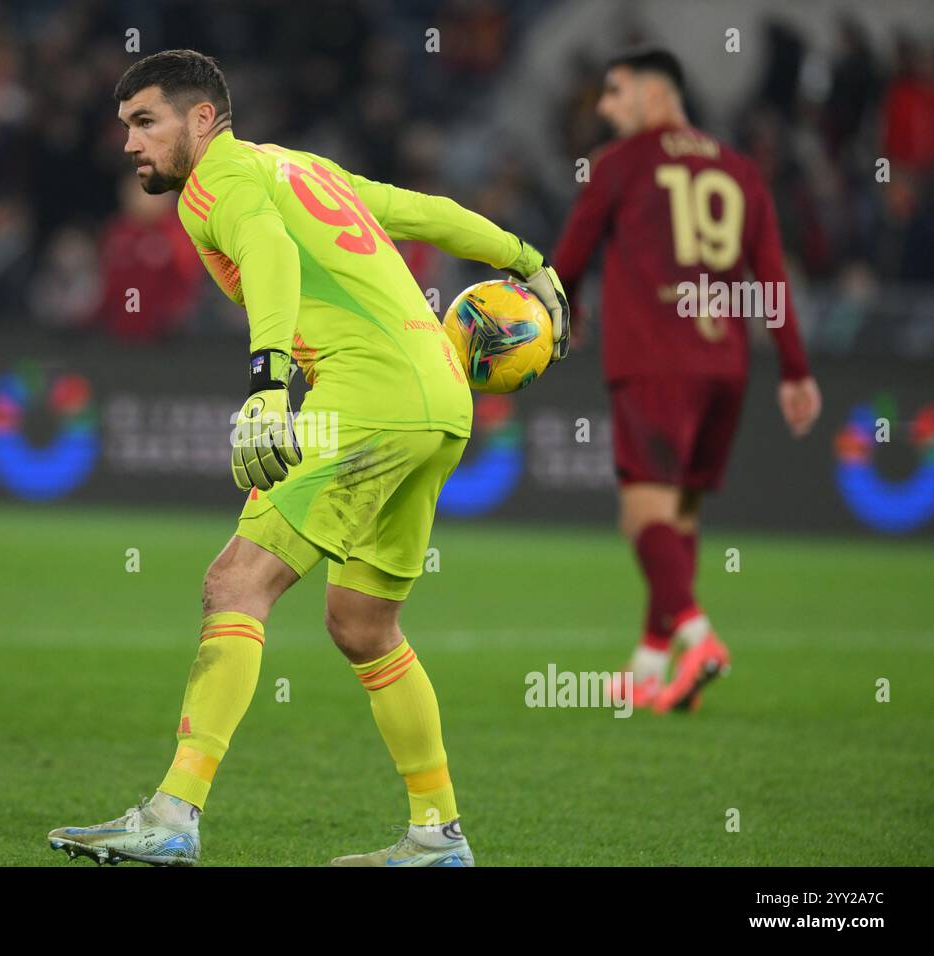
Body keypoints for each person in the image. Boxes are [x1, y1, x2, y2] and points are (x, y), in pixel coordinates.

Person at [48, 49, 569, 866]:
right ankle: (437, 835)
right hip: (439, 395)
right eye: (125, 127)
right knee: (363, 624)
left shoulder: (214, 185)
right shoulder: (303, 168)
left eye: (146, 122)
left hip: (361, 399)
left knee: (235, 582)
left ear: (204, 119)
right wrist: (528, 261)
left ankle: (174, 815)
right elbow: (420, 210)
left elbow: (270, 255)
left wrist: (269, 383)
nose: (130, 144)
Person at [552, 49, 821, 713]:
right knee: (679, 519)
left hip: (654, 361)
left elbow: (571, 255)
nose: (607, 108)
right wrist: (794, 369)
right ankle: (649, 668)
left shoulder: (621, 165)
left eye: (615, 92)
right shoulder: (740, 170)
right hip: (726, 367)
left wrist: (564, 315)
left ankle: (699, 639)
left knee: (643, 516)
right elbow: (772, 278)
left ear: (653, 92)